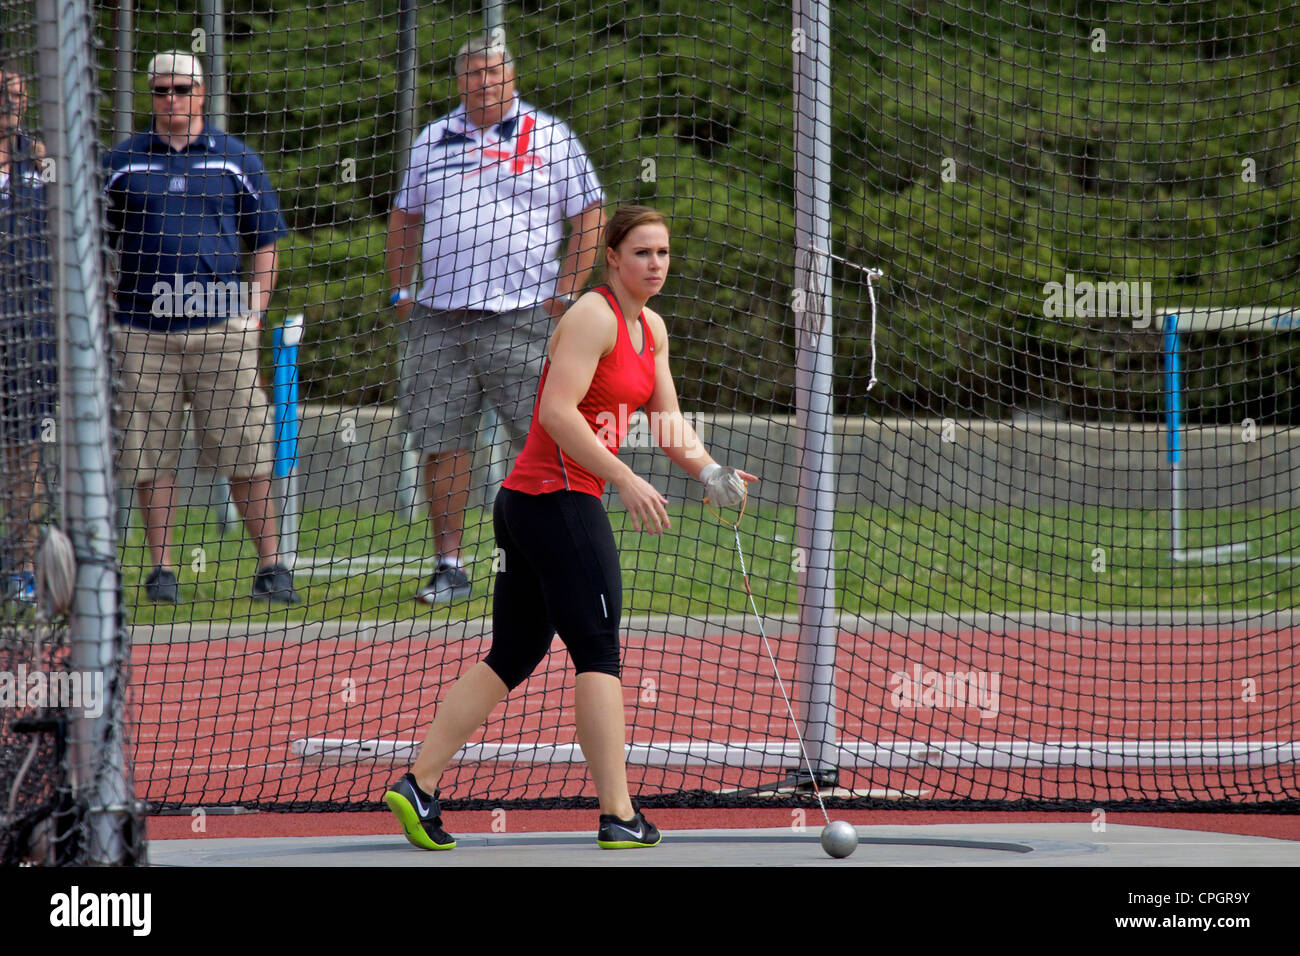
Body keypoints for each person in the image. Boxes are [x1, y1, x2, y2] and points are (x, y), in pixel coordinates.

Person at [383, 205, 755, 850]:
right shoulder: (592, 315)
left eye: (663, 253)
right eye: (642, 253)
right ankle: (618, 815)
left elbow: (664, 419)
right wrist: (626, 477)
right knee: (599, 653)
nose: (655, 265)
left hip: (538, 503)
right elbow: (557, 414)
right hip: (553, 500)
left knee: (514, 652)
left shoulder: (653, 329)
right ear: (612, 256)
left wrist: (707, 469)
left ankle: (417, 783)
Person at [386, 33, 605, 605]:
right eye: (473, 74)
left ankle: (563, 559)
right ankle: (450, 565)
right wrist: (402, 290)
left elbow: (590, 215)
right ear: (458, 80)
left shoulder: (552, 136)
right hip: (440, 319)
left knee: (545, 438)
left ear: (513, 77)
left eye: (493, 72)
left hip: (525, 316)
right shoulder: (434, 139)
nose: (483, 82)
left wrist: (564, 292)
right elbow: (404, 217)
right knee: (441, 443)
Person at [103, 51, 298, 604]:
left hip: (222, 328)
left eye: (183, 90)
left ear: (202, 93)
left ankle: (272, 567)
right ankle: (161, 571)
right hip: (141, 331)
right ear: (150, 96)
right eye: (162, 90)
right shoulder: (120, 162)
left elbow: (264, 242)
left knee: (247, 451)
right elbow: (95, 240)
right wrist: (105, 306)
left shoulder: (236, 159)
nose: (172, 100)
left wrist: (255, 313)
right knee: (148, 456)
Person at [0, 63, 53, 606]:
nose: (9, 101)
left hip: (27, 328)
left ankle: (21, 563)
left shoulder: (37, 159)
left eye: (16, 93)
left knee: (25, 454)